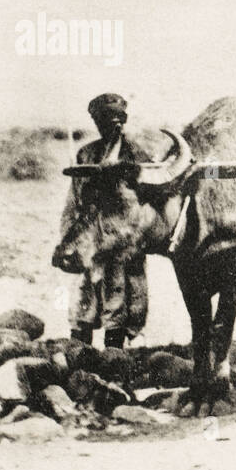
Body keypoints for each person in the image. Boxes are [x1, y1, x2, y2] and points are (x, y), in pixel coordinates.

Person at [66, 93, 150, 349]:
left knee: (120, 300)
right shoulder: (86, 154)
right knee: (85, 298)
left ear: (124, 120)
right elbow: (73, 201)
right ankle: (80, 358)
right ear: (96, 122)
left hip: (123, 239)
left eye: (116, 119)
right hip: (90, 237)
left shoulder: (137, 154)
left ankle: (113, 359)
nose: (111, 124)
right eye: (103, 119)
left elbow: (147, 201)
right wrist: (68, 239)